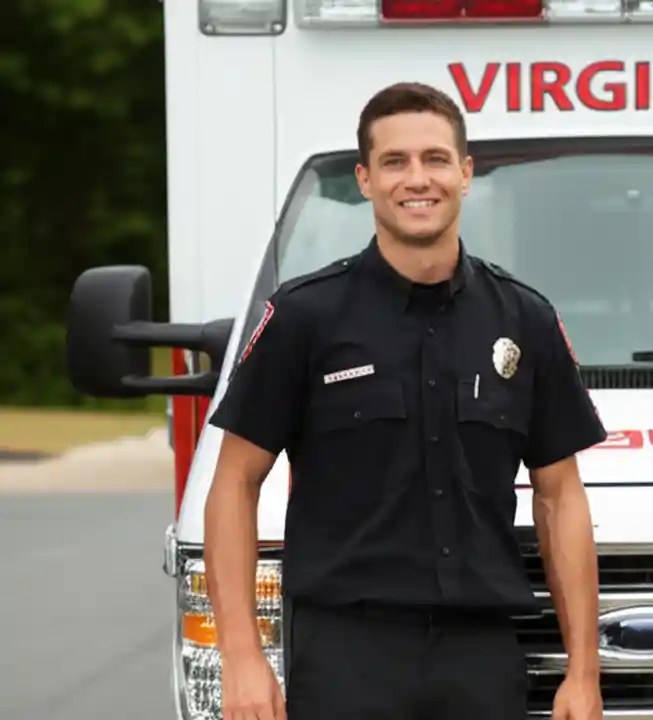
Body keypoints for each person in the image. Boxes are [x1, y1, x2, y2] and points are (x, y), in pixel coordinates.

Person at [202, 82, 608, 720]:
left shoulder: (525, 320)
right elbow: (232, 484)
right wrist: (242, 657)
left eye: (435, 159)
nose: (417, 179)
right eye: (395, 162)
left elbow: (561, 496)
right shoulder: (305, 318)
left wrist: (584, 671)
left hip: (482, 657)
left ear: (466, 174)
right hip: (346, 655)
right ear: (364, 180)